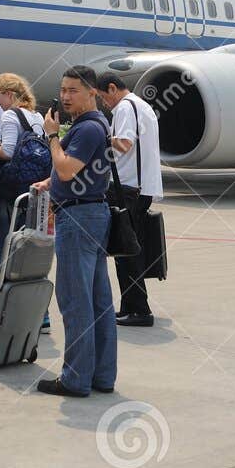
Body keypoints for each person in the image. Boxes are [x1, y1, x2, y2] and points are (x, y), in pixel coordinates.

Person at [32, 65, 118, 398]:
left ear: (92, 92)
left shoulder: (87, 128)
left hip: (78, 219)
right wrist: (50, 181)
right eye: (63, 90)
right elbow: (79, 170)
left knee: (75, 301)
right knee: (97, 300)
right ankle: (101, 375)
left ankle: (76, 378)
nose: (65, 97)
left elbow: (67, 169)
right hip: (92, 213)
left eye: (73, 91)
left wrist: (52, 135)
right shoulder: (98, 124)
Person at [98, 73, 163, 328]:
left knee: (126, 251)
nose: (104, 104)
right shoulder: (140, 105)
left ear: (112, 88)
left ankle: (139, 310)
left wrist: (100, 137)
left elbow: (124, 144)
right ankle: (130, 306)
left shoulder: (126, 107)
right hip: (139, 187)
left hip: (129, 188)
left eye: (103, 97)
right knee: (127, 248)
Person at [0, 73, 44, 274]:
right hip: (30, 190)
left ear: (9, 94)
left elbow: (9, 151)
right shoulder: (37, 116)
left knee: (0, 247)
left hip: (8, 190)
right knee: (23, 248)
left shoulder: (10, 115)